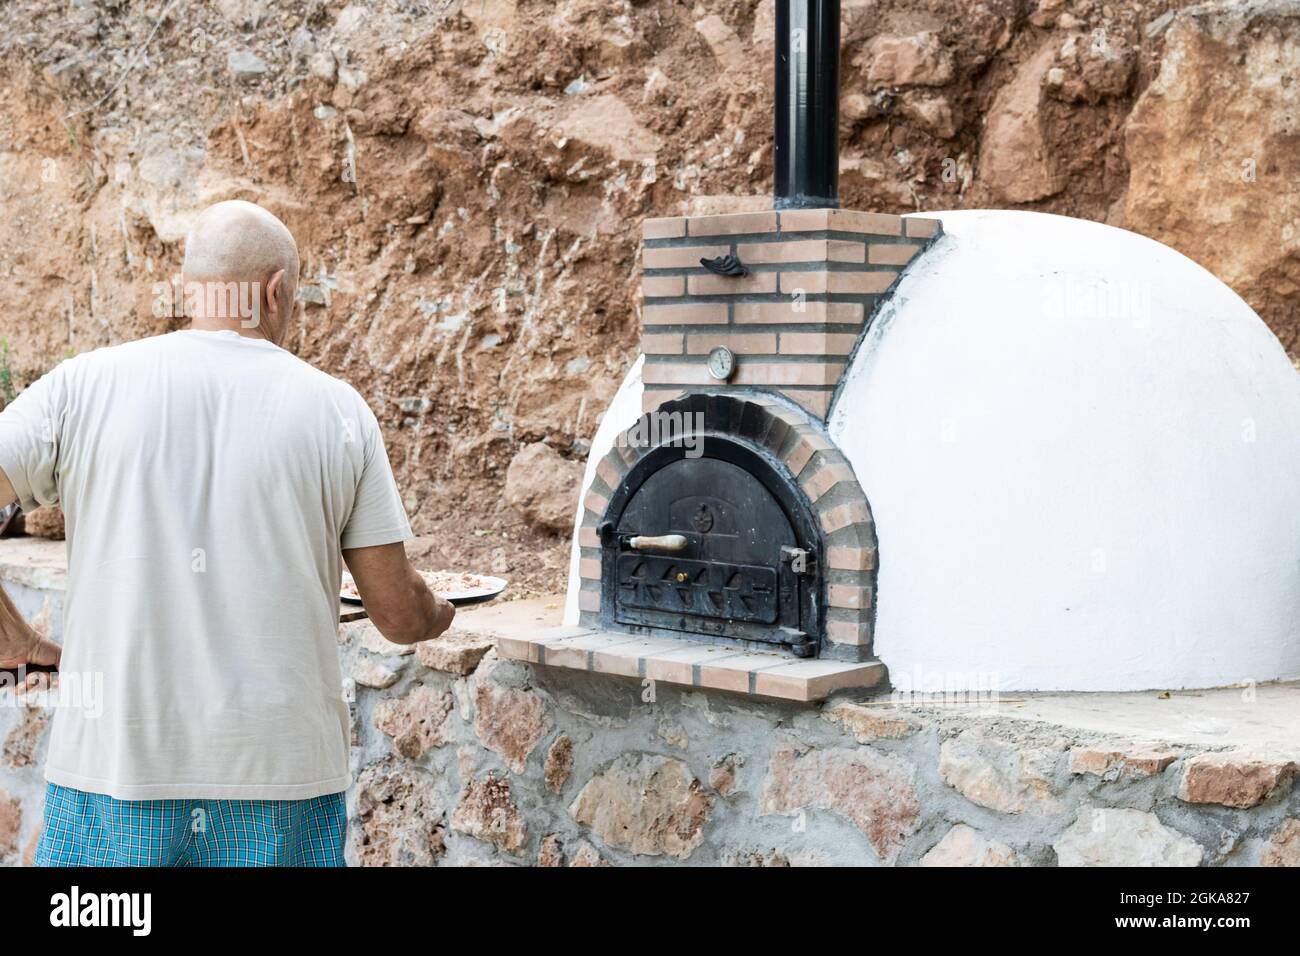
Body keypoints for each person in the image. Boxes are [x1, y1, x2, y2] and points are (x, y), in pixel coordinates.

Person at [0, 199, 454, 866]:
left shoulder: (83, 387)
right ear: (274, 292)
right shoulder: (336, 410)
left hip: (113, 775)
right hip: (280, 786)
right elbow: (396, 613)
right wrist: (438, 611)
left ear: (192, 287)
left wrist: (18, 641)